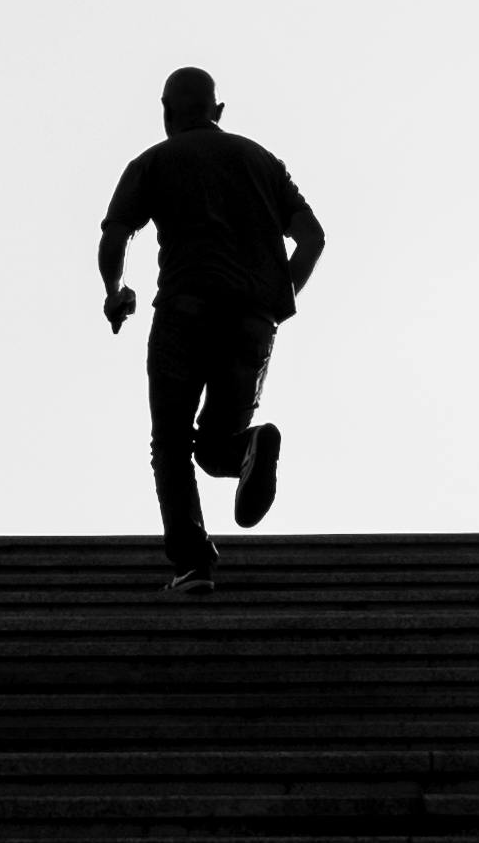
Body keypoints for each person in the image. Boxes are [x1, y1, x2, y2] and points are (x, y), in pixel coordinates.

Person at [98, 67, 324, 597]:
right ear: (217, 111)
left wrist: (115, 290)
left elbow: (115, 233)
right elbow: (312, 237)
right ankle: (252, 445)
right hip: (250, 320)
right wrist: (273, 300)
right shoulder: (263, 161)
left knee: (173, 443)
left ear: (165, 111)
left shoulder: (153, 162)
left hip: (184, 311)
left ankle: (193, 566)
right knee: (218, 443)